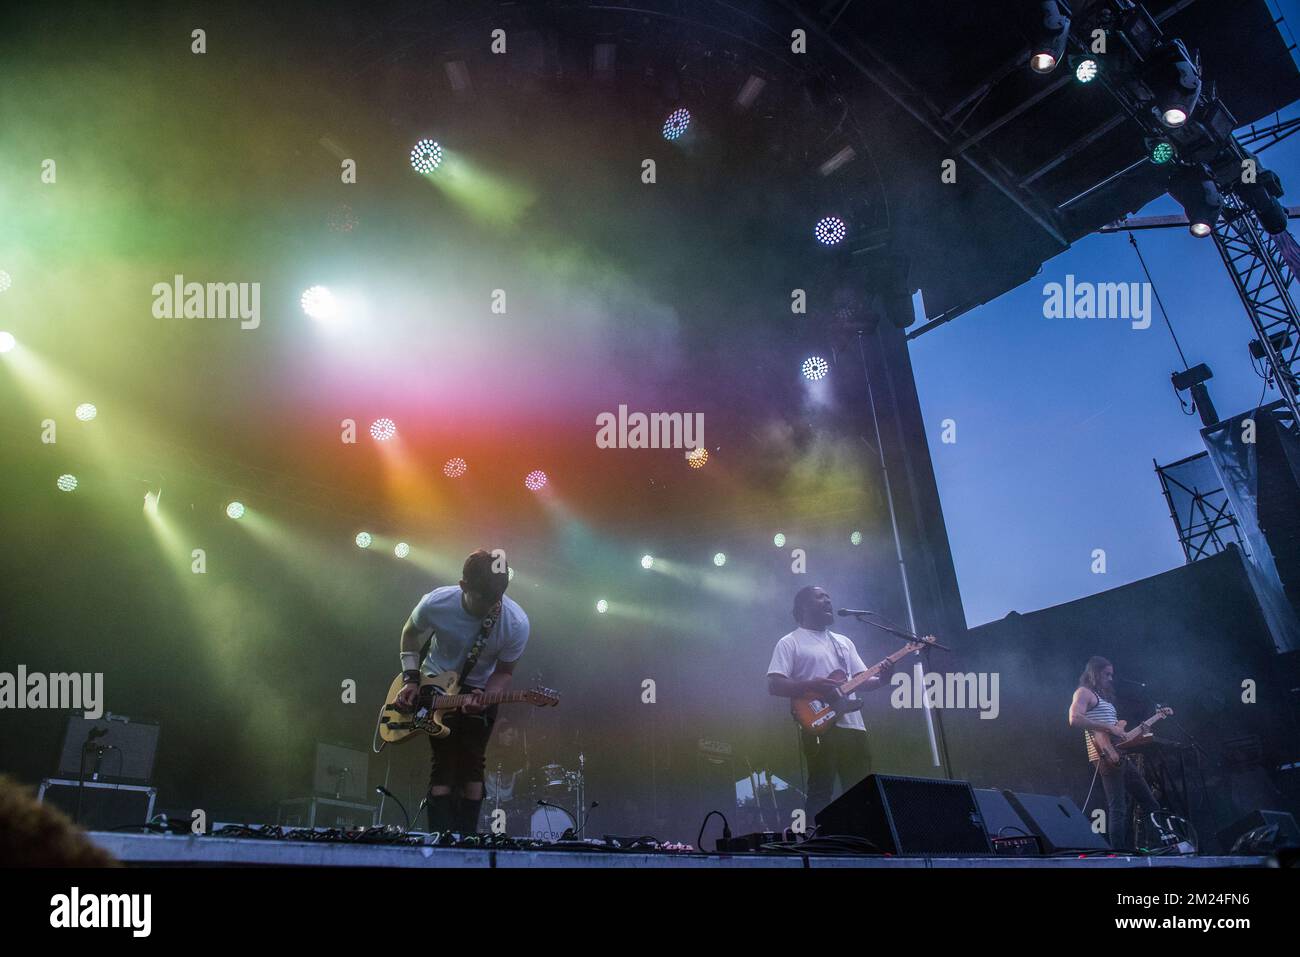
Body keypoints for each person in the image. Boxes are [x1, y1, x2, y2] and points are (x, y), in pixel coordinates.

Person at [395, 548, 529, 833]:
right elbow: (410, 632)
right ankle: (441, 840)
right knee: (443, 761)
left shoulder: (515, 623)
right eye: (483, 599)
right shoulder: (436, 603)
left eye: (497, 599)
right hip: (434, 681)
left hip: (481, 688)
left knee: (473, 762)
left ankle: (467, 841)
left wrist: (485, 695)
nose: (492, 606)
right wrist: (410, 680)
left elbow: (505, 671)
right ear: (463, 586)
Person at [766, 585, 890, 820]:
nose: (828, 601)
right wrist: (812, 685)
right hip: (820, 724)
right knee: (821, 791)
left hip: (854, 726)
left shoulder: (843, 641)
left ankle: (862, 846)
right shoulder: (790, 642)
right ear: (803, 607)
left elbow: (864, 681)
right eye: (821, 597)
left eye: (829, 597)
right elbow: (774, 685)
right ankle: (819, 849)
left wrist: (885, 677)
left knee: (861, 793)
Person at [1068, 656, 1160, 851]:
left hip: (1119, 755)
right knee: (1118, 807)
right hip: (1104, 756)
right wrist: (1109, 727)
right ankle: (1118, 854)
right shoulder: (1083, 692)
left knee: (1149, 802)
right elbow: (1074, 718)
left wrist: (1139, 733)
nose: (1110, 678)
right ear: (1095, 673)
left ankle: (1158, 845)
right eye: (1106, 674)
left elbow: (1120, 737)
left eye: (1112, 674)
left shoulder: (1105, 700)